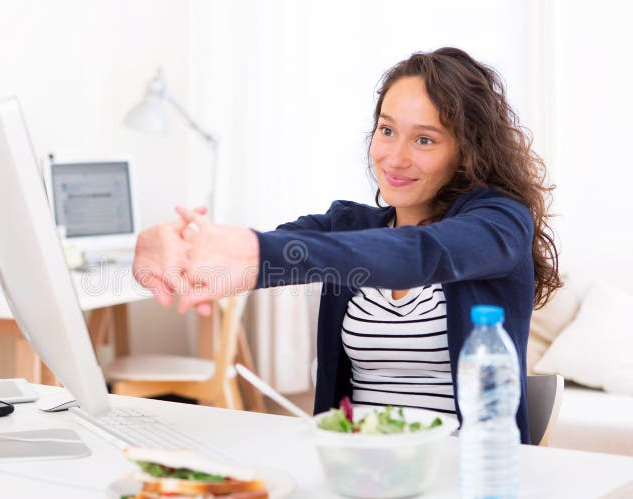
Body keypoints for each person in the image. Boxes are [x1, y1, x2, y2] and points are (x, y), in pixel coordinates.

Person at [132, 47, 561, 444]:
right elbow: (273, 249)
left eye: (425, 139)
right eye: (387, 130)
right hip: (357, 475)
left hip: (465, 481)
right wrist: (179, 248)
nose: (395, 157)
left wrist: (257, 251)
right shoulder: (349, 226)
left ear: (467, 150)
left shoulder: (499, 223)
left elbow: (420, 254)